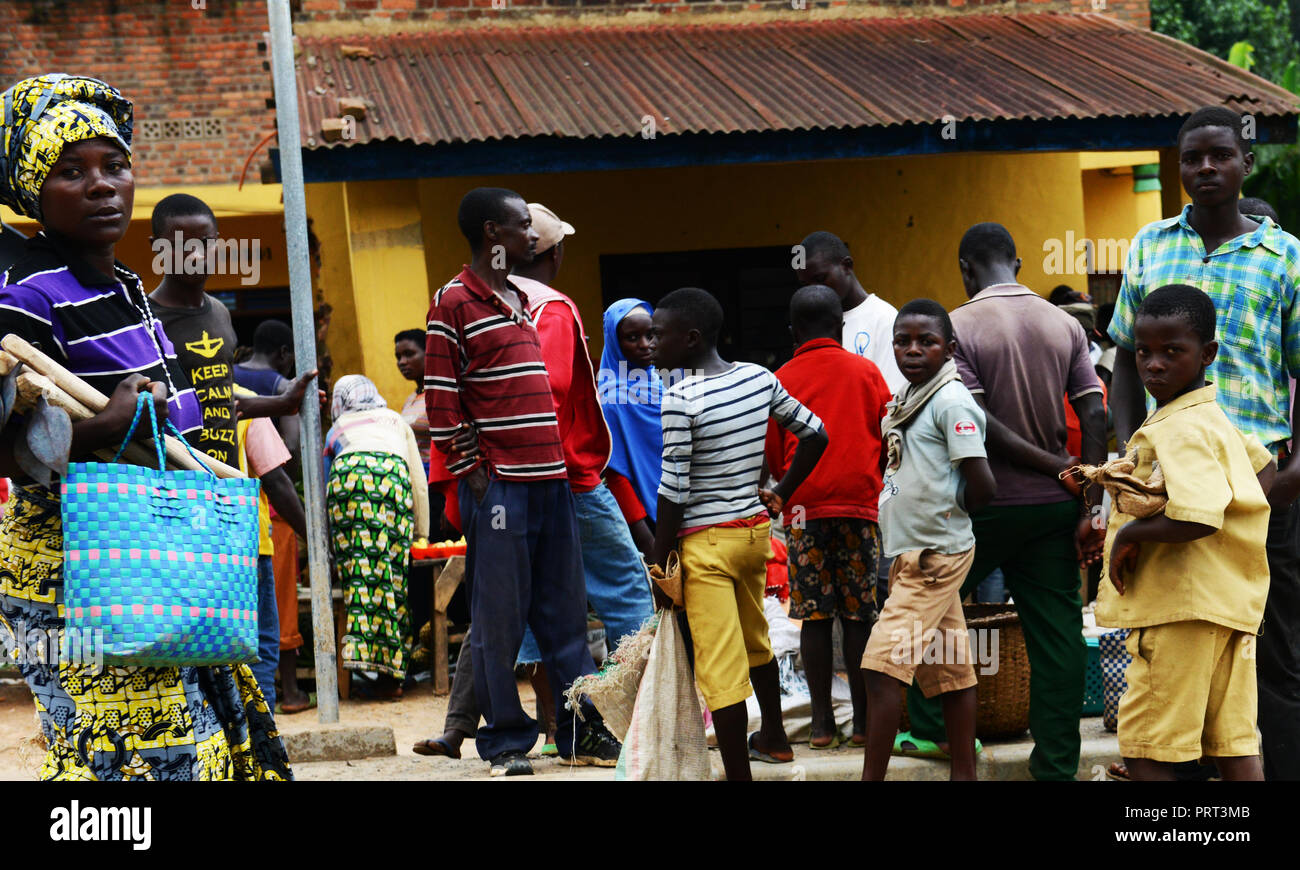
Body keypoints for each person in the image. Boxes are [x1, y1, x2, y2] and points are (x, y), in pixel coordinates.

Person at [0, 73, 290, 780]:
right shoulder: (29, 297)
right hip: (82, 576)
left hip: (161, 560)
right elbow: (8, 445)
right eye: (71, 172)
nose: (102, 185)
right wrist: (103, 427)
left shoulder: (122, 285)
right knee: (139, 764)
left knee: (215, 749)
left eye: (115, 165)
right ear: (34, 189)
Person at [1109, 106, 1300, 781]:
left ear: (1246, 163)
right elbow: (1126, 365)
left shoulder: (1286, 257)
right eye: (1193, 158)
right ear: (1180, 166)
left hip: (1260, 493)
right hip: (1167, 495)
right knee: (1173, 651)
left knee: (1267, 658)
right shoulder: (1149, 246)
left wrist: (1288, 477)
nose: (1206, 169)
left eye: (1220, 155)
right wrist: (1129, 464)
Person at [424, 187, 620, 776]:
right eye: (521, 227)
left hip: (551, 483)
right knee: (500, 620)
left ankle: (580, 734)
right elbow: (441, 402)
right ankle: (507, 743)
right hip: (501, 488)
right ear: (492, 233)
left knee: (566, 618)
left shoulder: (521, 298)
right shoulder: (453, 301)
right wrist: (477, 480)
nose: (531, 237)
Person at [903, 222, 1107, 781]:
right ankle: (1057, 766)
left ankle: (931, 728)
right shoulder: (1064, 322)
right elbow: (1095, 414)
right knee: (1058, 633)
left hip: (980, 505)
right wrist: (1089, 496)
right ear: (1017, 264)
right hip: (1052, 508)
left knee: (927, 608)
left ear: (965, 271)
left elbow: (977, 423)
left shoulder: (957, 326)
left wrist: (1056, 470)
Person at [649, 286, 828, 781]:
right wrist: (781, 490)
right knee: (756, 641)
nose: (650, 344)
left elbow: (674, 488)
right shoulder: (757, 378)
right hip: (754, 538)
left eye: (658, 336)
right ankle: (774, 738)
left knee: (720, 670)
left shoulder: (680, 397)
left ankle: (738, 777)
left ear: (690, 338)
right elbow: (816, 432)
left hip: (706, 545)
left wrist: (659, 563)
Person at [1099, 285, 1274, 781]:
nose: (1154, 364)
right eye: (1143, 352)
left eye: (1172, 351)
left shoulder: (1174, 427)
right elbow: (1262, 475)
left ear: (1207, 355)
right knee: (1233, 744)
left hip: (1179, 611)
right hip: (1228, 607)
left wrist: (1130, 534)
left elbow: (1199, 515)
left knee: (1148, 750)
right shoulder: (1214, 417)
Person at [147, 192, 313, 713]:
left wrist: (280, 401)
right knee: (194, 640)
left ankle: (253, 746)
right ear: (161, 249)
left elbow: (221, 397)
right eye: (184, 245)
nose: (199, 255)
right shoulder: (148, 318)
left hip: (232, 499)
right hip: (177, 502)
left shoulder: (220, 314)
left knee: (250, 637)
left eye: (208, 243)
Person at [860, 299, 996, 781]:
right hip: (910, 553)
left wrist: (946, 519)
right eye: (903, 340)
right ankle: (965, 773)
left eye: (927, 341)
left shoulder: (950, 401)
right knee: (952, 673)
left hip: (934, 556)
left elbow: (982, 484)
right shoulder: (909, 396)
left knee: (880, 670)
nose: (912, 349)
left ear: (949, 348)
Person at [764, 284, 891, 748]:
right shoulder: (868, 372)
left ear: (793, 330)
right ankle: (862, 725)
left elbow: (777, 457)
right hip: (860, 509)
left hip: (802, 512)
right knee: (859, 614)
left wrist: (791, 488)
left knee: (813, 616)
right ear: (841, 326)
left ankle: (820, 726)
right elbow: (886, 440)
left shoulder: (781, 377)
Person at [324, 374, 429, 699]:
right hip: (392, 486)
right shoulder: (397, 421)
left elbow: (323, 487)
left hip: (347, 487)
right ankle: (393, 674)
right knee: (390, 578)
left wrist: (327, 547)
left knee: (359, 578)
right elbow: (417, 481)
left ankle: (364, 667)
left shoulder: (336, 428)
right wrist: (421, 533)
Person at [793, 230, 906, 393]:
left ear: (847, 266)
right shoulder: (812, 325)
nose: (814, 290)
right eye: (805, 284)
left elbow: (891, 398)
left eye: (820, 279)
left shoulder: (885, 319)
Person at [598, 298, 662, 556]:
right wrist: (644, 536)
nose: (645, 345)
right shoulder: (611, 400)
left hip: (681, 512)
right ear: (615, 342)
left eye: (651, 334)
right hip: (643, 522)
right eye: (632, 337)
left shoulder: (662, 383)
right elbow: (616, 472)